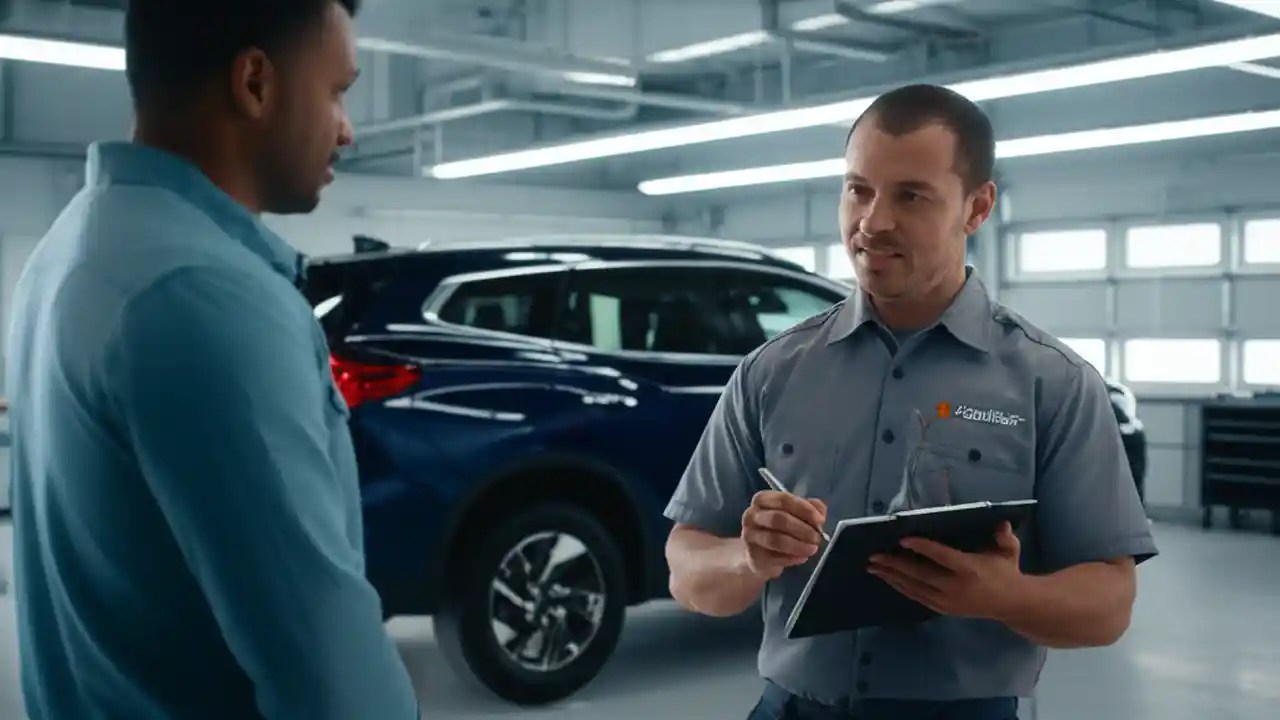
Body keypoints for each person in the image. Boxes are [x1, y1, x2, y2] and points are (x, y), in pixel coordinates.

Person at [663, 84, 1157, 720]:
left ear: (977, 208)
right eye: (858, 189)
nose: (872, 221)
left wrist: (1003, 595)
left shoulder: (1053, 384)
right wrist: (747, 556)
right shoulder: (770, 372)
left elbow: (1109, 604)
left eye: (911, 195)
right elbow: (687, 565)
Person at [5, 1, 422, 718]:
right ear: (255, 82)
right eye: (337, 91)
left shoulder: (71, 249)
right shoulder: (203, 294)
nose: (348, 129)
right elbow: (332, 685)